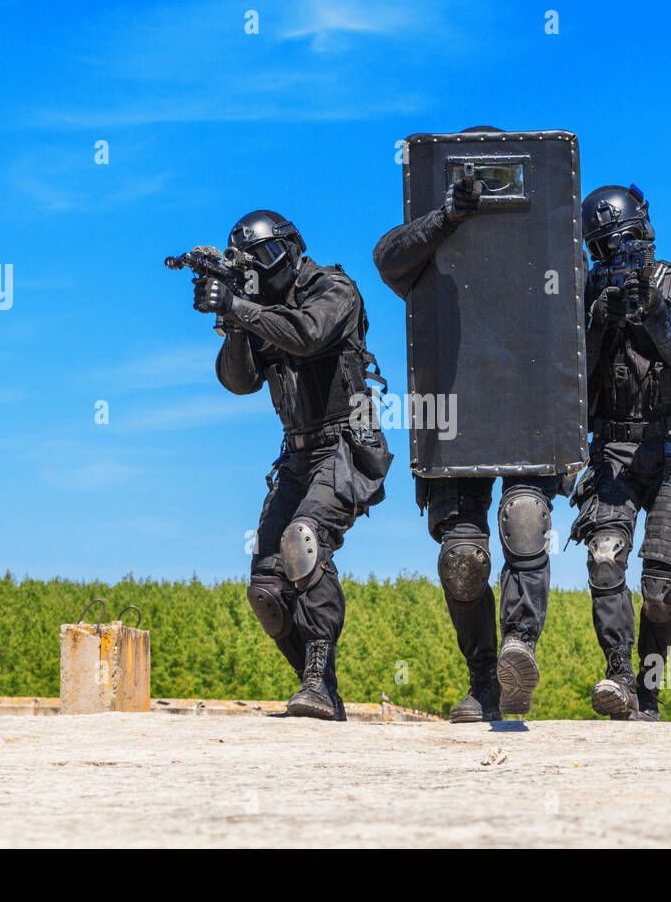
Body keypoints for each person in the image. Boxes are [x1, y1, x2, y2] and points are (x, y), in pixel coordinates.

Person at [373, 152, 560, 721]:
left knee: (525, 519)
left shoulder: (546, 241)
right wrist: (448, 218)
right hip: (451, 415)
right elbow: (386, 259)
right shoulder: (428, 246)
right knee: (462, 558)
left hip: (529, 405)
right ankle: (485, 683)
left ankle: (518, 646)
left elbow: (573, 318)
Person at [194, 210, 392, 721]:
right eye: (248, 261)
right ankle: (320, 685)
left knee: (303, 542)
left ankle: (318, 683)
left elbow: (307, 335)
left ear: (292, 248)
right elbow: (238, 381)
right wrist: (233, 316)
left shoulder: (334, 290)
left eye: (264, 255)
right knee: (266, 588)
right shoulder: (260, 307)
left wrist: (239, 304)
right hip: (298, 452)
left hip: (345, 443)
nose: (259, 267)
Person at [569, 185, 671, 721]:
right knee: (604, 560)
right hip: (613, 449)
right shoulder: (584, 296)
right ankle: (619, 678)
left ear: (646, 233)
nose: (617, 256)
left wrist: (651, 309)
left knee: (660, 588)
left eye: (624, 242)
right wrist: (598, 324)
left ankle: (649, 695)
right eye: (604, 247)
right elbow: (571, 381)